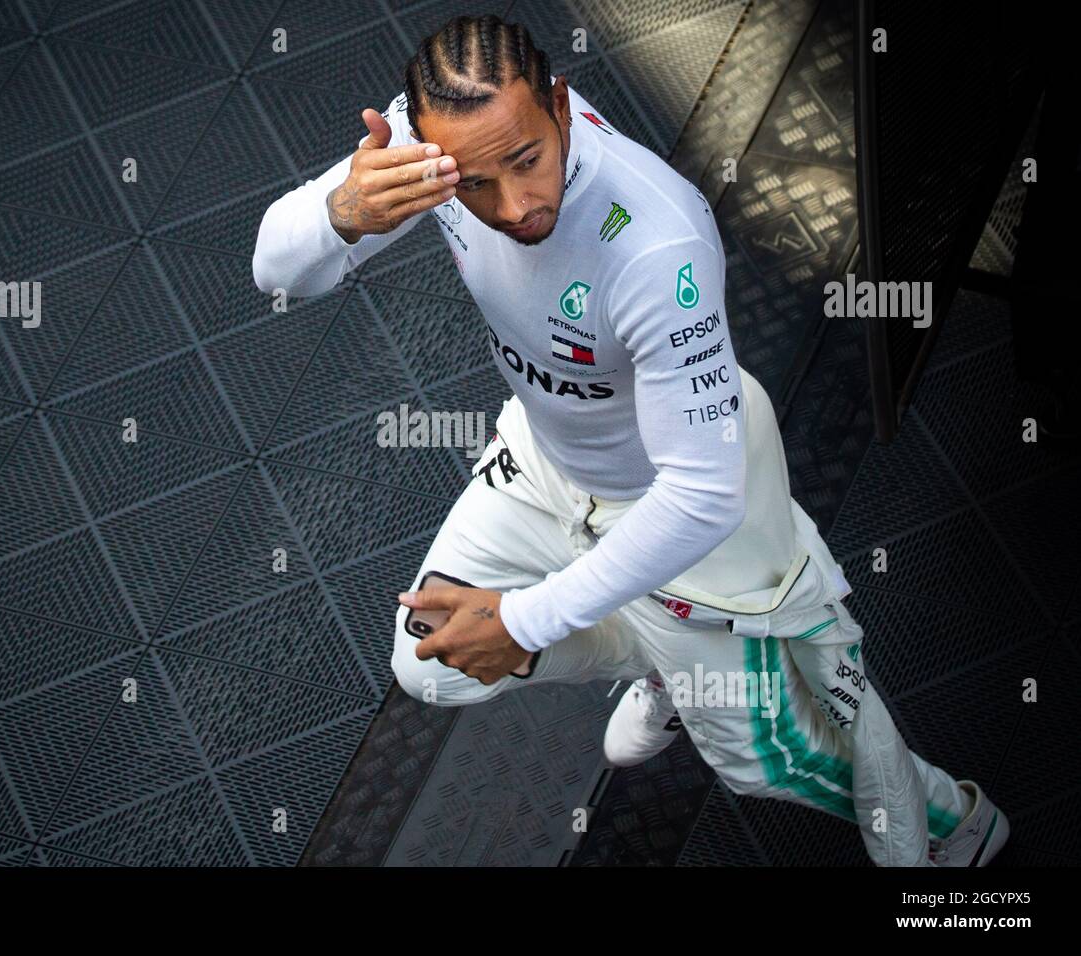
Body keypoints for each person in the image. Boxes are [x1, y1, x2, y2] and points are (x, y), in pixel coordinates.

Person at [252, 14, 1006, 866]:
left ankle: (956, 828)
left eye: (527, 161)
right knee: (429, 661)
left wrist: (529, 622)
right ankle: (665, 660)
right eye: (474, 184)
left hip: (687, 502)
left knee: (761, 763)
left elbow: (704, 496)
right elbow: (277, 273)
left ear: (563, 108)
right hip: (547, 459)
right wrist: (342, 210)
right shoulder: (438, 148)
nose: (513, 206)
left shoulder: (656, 242)